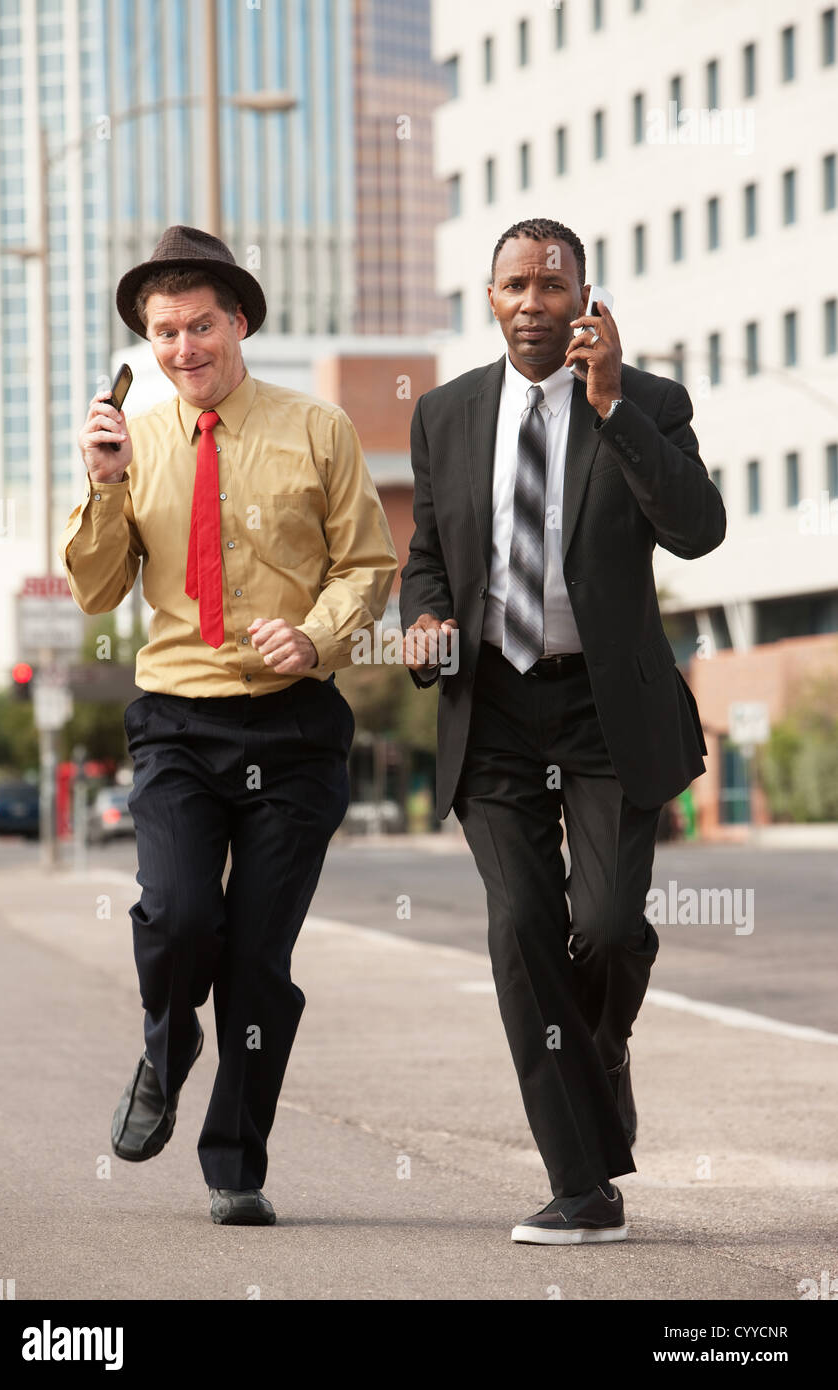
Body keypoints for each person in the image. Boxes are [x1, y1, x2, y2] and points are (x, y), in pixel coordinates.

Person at [60, 225, 397, 1225]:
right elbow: (95, 590)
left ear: (238, 320)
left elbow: (369, 566)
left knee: (256, 959)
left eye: (199, 324)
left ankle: (234, 1160)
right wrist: (104, 485)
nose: (182, 348)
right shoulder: (133, 440)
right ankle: (168, 1046)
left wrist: (319, 634)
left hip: (293, 730)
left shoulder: (316, 429)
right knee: (175, 916)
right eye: (163, 332)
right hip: (176, 720)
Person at [400, 217, 725, 1245]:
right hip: (491, 703)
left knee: (612, 926)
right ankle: (581, 1183)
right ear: (486, 298)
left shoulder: (647, 401)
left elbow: (697, 528)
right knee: (518, 932)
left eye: (551, 284)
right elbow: (428, 549)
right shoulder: (446, 414)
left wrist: (613, 406)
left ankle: (600, 1047)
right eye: (512, 285)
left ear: (583, 298)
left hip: (605, 704)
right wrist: (423, 617)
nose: (531, 303)